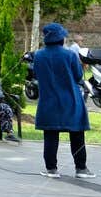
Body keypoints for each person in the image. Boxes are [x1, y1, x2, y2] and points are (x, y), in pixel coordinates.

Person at [34, 22, 94, 178]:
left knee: (51, 134)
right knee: (77, 134)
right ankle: (81, 168)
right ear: (61, 38)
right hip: (71, 99)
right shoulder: (70, 55)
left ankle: (51, 169)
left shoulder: (39, 55)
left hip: (48, 100)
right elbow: (78, 76)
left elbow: (36, 74)